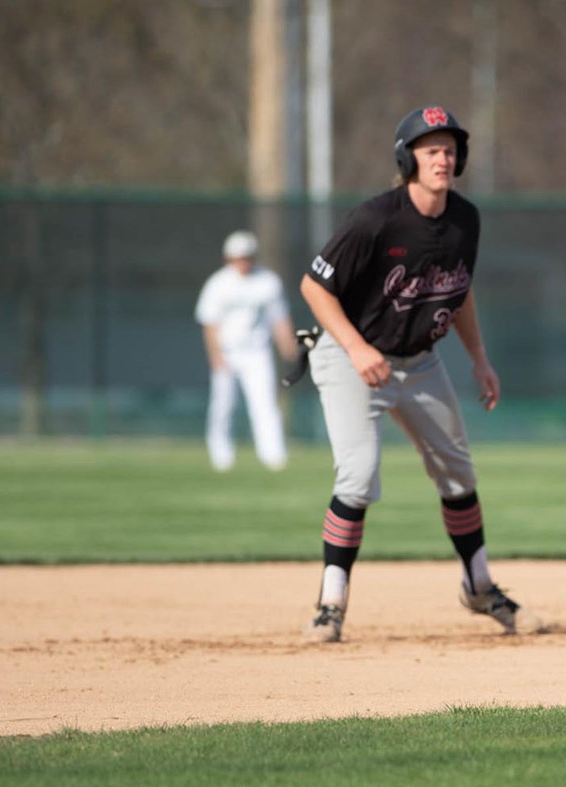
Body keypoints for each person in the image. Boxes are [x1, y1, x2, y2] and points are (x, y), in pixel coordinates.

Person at [297, 105, 532, 643]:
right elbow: (315, 287)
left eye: (449, 149)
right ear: (408, 158)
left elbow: (459, 289)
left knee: (458, 474)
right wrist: (356, 349)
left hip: (421, 361)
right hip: (350, 356)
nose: (442, 158)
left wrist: (478, 357)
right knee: (358, 476)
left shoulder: (464, 220)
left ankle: (479, 586)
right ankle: (330, 604)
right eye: (430, 150)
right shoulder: (375, 219)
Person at [194, 230, 297, 472]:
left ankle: (273, 455)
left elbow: (279, 319)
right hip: (227, 352)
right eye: (238, 257)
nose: (243, 262)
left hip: (257, 352)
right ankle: (221, 455)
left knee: (264, 404)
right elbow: (210, 324)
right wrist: (216, 357)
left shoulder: (268, 282)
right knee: (223, 405)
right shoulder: (218, 283)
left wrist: (288, 347)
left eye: (247, 256)